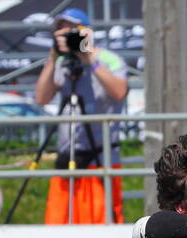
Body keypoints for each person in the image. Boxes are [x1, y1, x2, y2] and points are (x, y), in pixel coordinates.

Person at [35, 8, 128, 223]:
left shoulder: (108, 59)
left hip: (101, 159)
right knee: (59, 223)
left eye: (71, 28)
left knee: (101, 222)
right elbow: (41, 98)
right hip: (67, 158)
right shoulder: (60, 62)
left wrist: (89, 59)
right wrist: (52, 58)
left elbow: (119, 92)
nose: (66, 33)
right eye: (60, 28)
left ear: (87, 32)